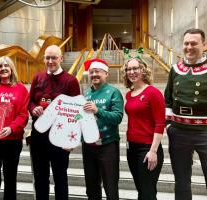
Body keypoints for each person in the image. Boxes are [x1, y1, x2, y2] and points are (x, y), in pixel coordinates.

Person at [28, 45, 80, 200]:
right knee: (40, 178)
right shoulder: (38, 77)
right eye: (47, 58)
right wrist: (33, 109)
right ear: (44, 59)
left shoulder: (71, 81)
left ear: (61, 59)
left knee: (60, 178)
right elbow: (29, 101)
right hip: (39, 136)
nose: (50, 61)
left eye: (54, 58)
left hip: (60, 136)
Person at [165, 28, 207, 200]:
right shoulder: (175, 69)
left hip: (205, 132)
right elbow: (167, 99)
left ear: (204, 45)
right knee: (181, 182)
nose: (189, 47)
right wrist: (169, 126)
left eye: (194, 43)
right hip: (179, 132)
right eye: (186, 43)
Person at [0, 56, 29, 200]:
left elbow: (23, 114)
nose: (3, 68)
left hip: (13, 140)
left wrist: (11, 128)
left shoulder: (21, 89)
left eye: (6, 65)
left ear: (11, 69)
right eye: (0, 66)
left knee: (10, 178)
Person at [123, 58, 165, 200]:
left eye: (135, 68)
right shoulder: (129, 94)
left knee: (147, 192)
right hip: (131, 148)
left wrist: (153, 151)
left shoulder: (153, 92)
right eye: (129, 69)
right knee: (141, 189)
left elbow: (160, 124)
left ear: (143, 70)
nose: (132, 72)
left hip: (147, 148)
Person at [82, 58, 124, 200]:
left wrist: (97, 110)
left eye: (97, 72)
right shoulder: (86, 94)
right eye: (91, 72)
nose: (94, 74)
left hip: (108, 145)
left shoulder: (114, 92)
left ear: (106, 74)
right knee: (92, 188)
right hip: (88, 146)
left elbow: (117, 118)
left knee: (110, 187)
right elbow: (81, 119)